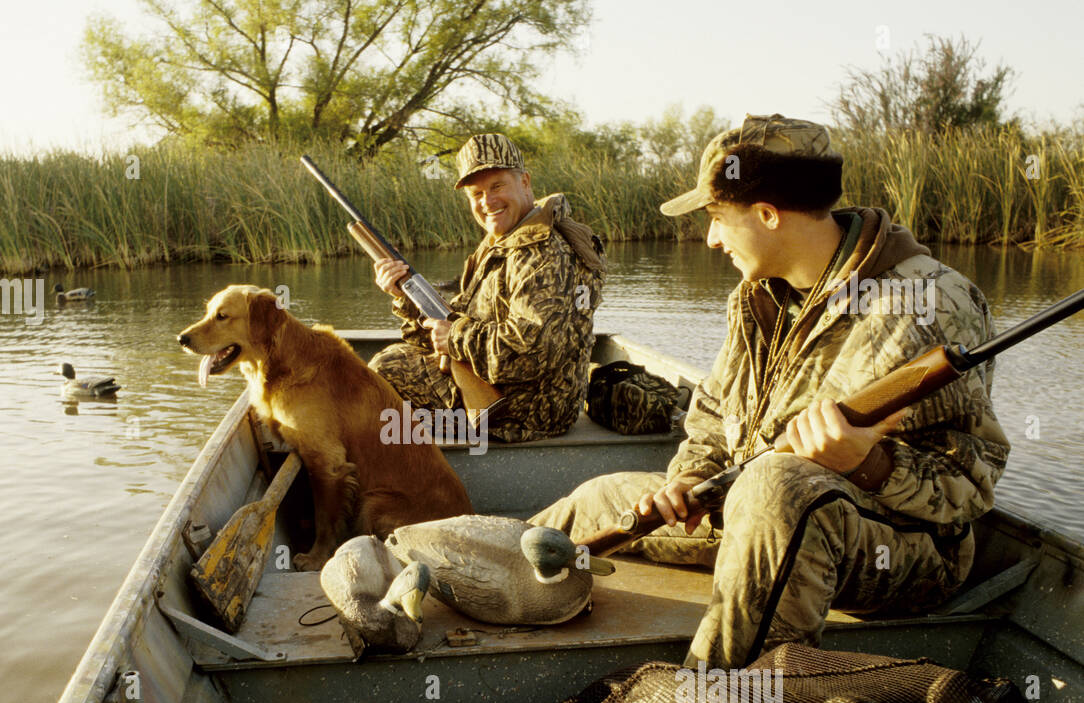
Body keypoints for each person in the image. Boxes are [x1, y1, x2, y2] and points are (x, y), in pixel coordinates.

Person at [532, 114, 1009, 668]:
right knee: (599, 499)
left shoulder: (930, 302)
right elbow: (713, 413)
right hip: (746, 512)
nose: (709, 238)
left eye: (716, 218)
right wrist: (687, 479)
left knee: (775, 485)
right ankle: (461, 574)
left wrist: (867, 464)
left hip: (902, 555)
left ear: (766, 214)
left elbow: (971, 484)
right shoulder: (753, 295)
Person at [369, 133, 609, 443]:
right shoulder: (503, 243)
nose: (487, 202)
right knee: (391, 363)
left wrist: (455, 336)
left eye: (497, 187)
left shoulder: (541, 253)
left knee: (381, 375)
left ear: (524, 182)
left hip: (528, 410)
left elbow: (532, 356)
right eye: (476, 194)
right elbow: (442, 332)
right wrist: (404, 297)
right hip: (513, 391)